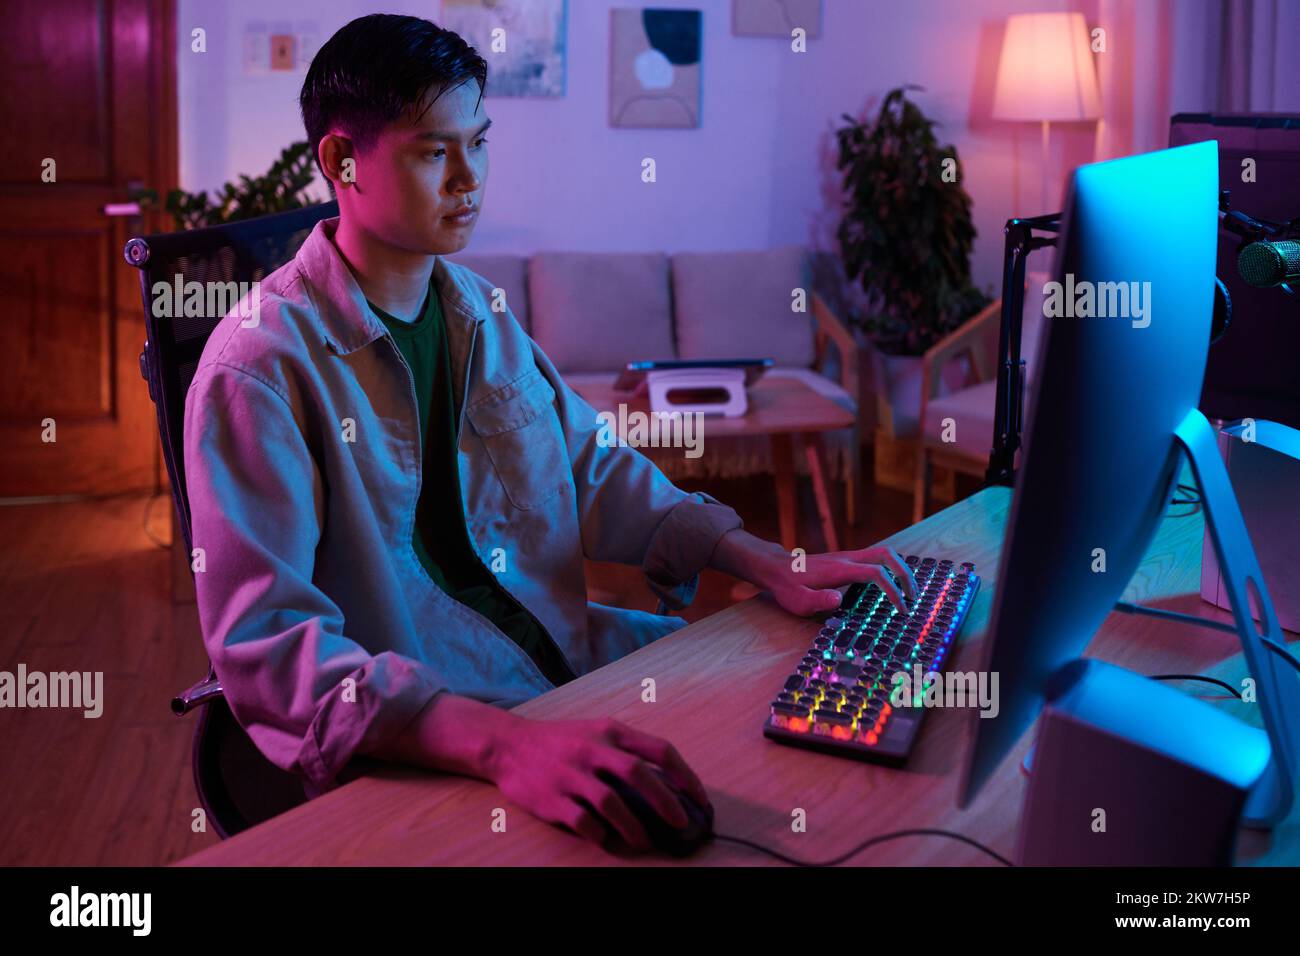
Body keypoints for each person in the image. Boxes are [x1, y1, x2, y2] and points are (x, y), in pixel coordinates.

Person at [184, 13, 916, 852]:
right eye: (434, 152)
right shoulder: (260, 368)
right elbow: (269, 645)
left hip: (571, 664)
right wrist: (505, 746)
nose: (470, 179)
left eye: (480, 143)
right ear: (342, 162)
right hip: (440, 733)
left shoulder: (475, 311)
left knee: (813, 748)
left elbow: (590, 466)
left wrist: (764, 562)